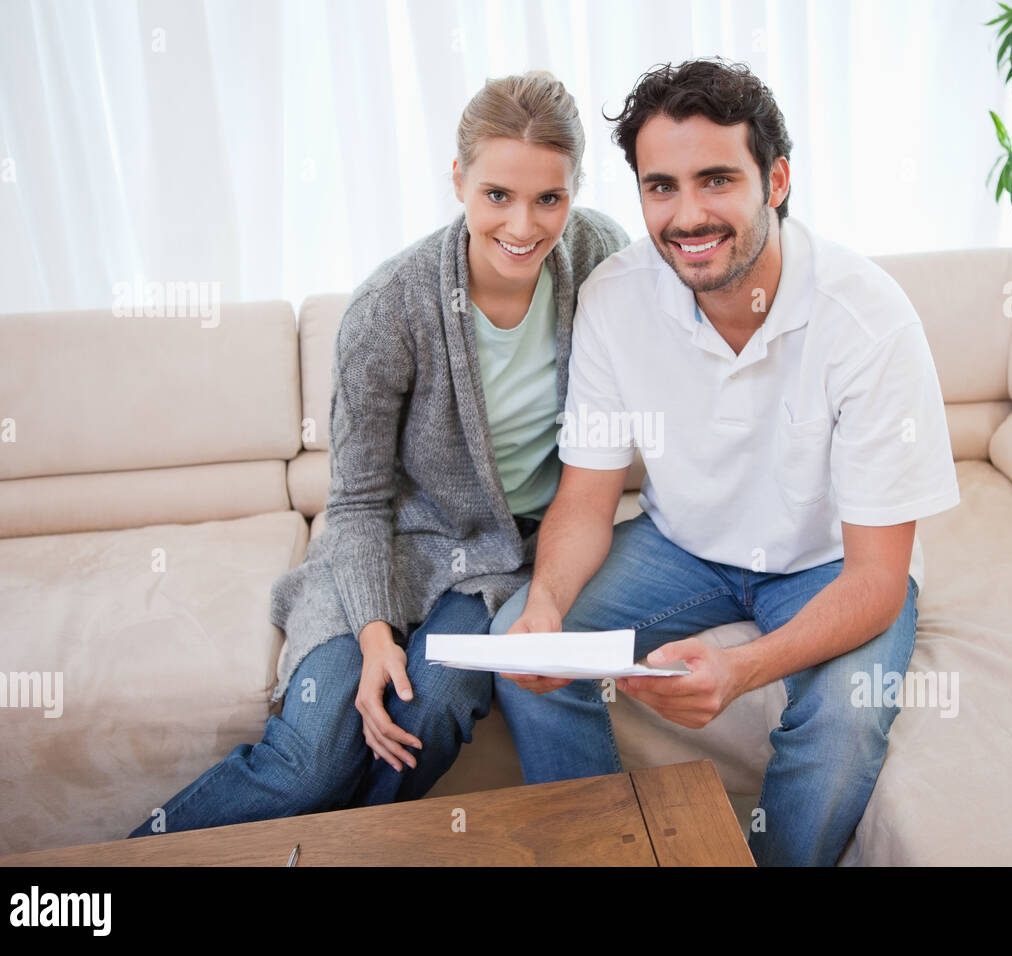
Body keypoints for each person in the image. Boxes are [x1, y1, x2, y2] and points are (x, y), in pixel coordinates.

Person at [129, 70, 628, 836]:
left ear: (575, 192)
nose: (524, 225)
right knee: (312, 759)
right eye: (497, 194)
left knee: (430, 704)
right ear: (458, 180)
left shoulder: (597, 256)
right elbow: (357, 501)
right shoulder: (388, 310)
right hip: (389, 546)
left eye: (548, 199)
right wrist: (372, 635)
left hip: (503, 559)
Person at [490, 58, 961, 866]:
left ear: (775, 180)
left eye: (716, 180)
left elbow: (878, 579)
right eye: (660, 186)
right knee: (520, 641)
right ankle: (609, 854)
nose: (687, 214)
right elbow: (585, 499)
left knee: (847, 716)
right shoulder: (615, 296)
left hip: (829, 565)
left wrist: (740, 670)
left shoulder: (868, 319)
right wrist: (545, 603)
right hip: (682, 548)